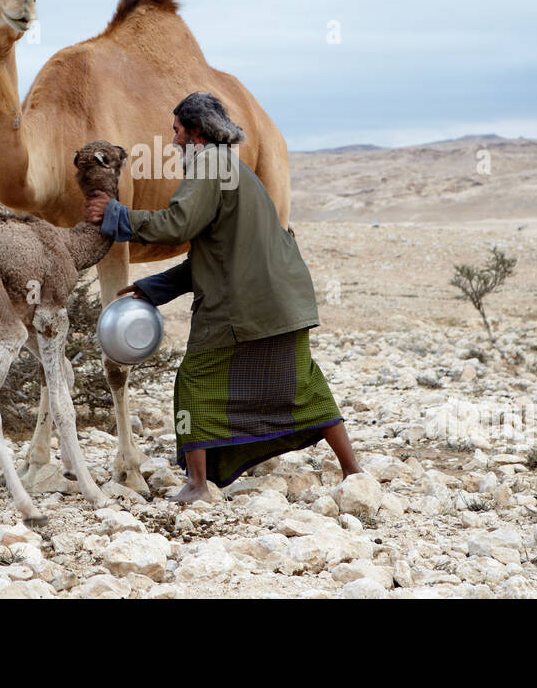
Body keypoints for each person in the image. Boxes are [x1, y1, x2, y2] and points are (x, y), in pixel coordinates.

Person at [85, 91, 363, 503]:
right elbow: (215, 253)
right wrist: (154, 287)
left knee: (194, 382)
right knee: (302, 386)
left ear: (196, 132)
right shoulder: (231, 169)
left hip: (247, 305)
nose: (174, 140)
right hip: (284, 302)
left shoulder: (209, 167)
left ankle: (198, 486)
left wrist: (115, 215)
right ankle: (354, 472)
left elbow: (178, 224)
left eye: (178, 131)